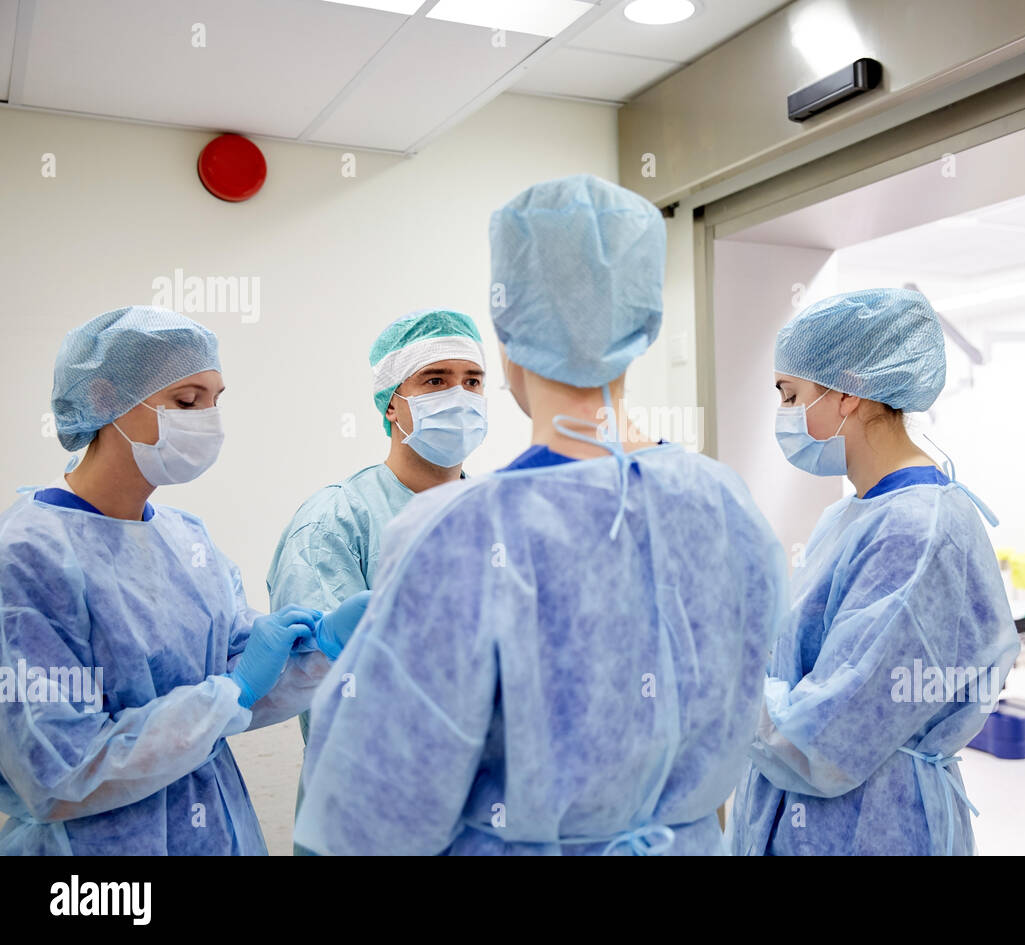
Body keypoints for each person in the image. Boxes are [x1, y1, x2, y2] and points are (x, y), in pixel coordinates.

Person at [295, 174, 788, 855]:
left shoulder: (456, 532)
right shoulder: (728, 506)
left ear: (507, 339)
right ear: (644, 325)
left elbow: (370, 817)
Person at [0, 306, 367, 855]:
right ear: (103, 400)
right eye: (188, 402)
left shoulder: (186, 541)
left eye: (217, 401)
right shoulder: (30, 557)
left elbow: (237, 686)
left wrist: (321, 649)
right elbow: (60, 774)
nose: (209, 421)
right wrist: (232, 691)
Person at [730, 288, 1020, 856]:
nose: (784, 414)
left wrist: (723, 683)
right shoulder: (854, 514)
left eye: (791, 395)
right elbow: (804, 665)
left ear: (846, 395)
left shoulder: (919, 530)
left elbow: (826, 738)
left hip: (870, 826)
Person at [267, 308, 487, 854]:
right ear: (393, 401)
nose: (459, 395)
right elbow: (329, 690)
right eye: (435, 380)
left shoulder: (501, 515)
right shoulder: (335, 523)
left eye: (473, 381)